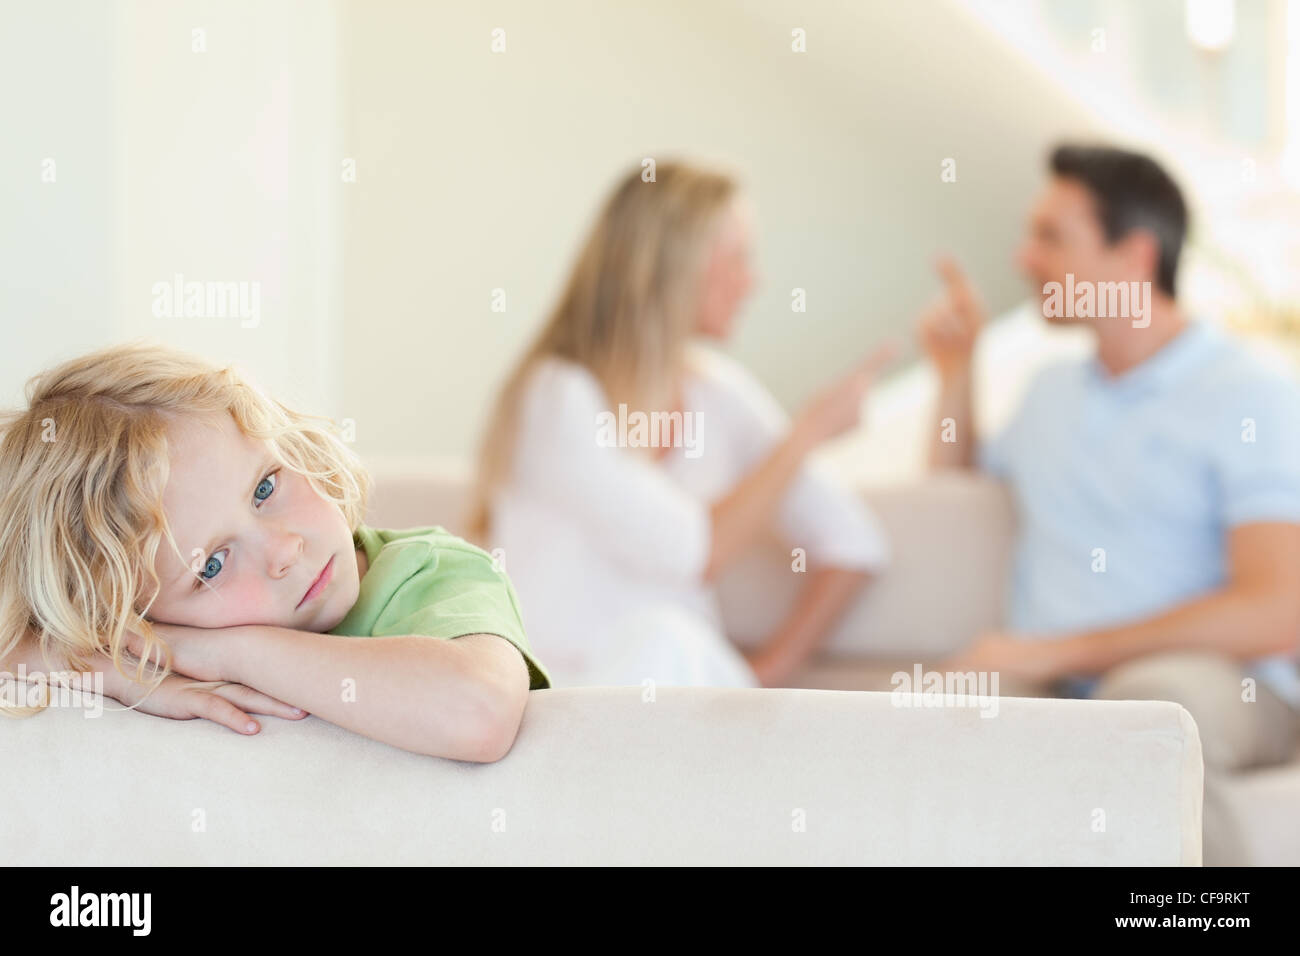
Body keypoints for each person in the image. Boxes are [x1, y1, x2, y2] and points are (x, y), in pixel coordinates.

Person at [921, 143, 1300, 864]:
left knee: (1142, 714)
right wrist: (954, 370)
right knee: (913, 714)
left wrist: (1060, 647)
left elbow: (1277, 609)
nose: (1022, 258)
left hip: (1218, 682)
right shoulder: (1048, 393)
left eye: (1050, 237)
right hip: (1057, 678)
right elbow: (950, 484)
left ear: (1134, 255)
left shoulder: (1251, 396)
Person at [0, 341, 550, 761]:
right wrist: (124, 672)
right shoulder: (149, 650)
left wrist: (224, 653)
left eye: (265, 487)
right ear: (136, 619)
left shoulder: (428, 572)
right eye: (212, 565)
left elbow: (479, 711)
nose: (284, 550)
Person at [468, 160, 892, 689]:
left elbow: (853, 542)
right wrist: (806, 434)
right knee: (660, 640)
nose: (753, 281)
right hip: (567, 697)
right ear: (673, 266)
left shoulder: (720, 393)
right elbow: (693, 553)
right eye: (737, 257)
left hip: (682, 700)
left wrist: (769, 671)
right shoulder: (557, 395)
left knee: (667, 642)